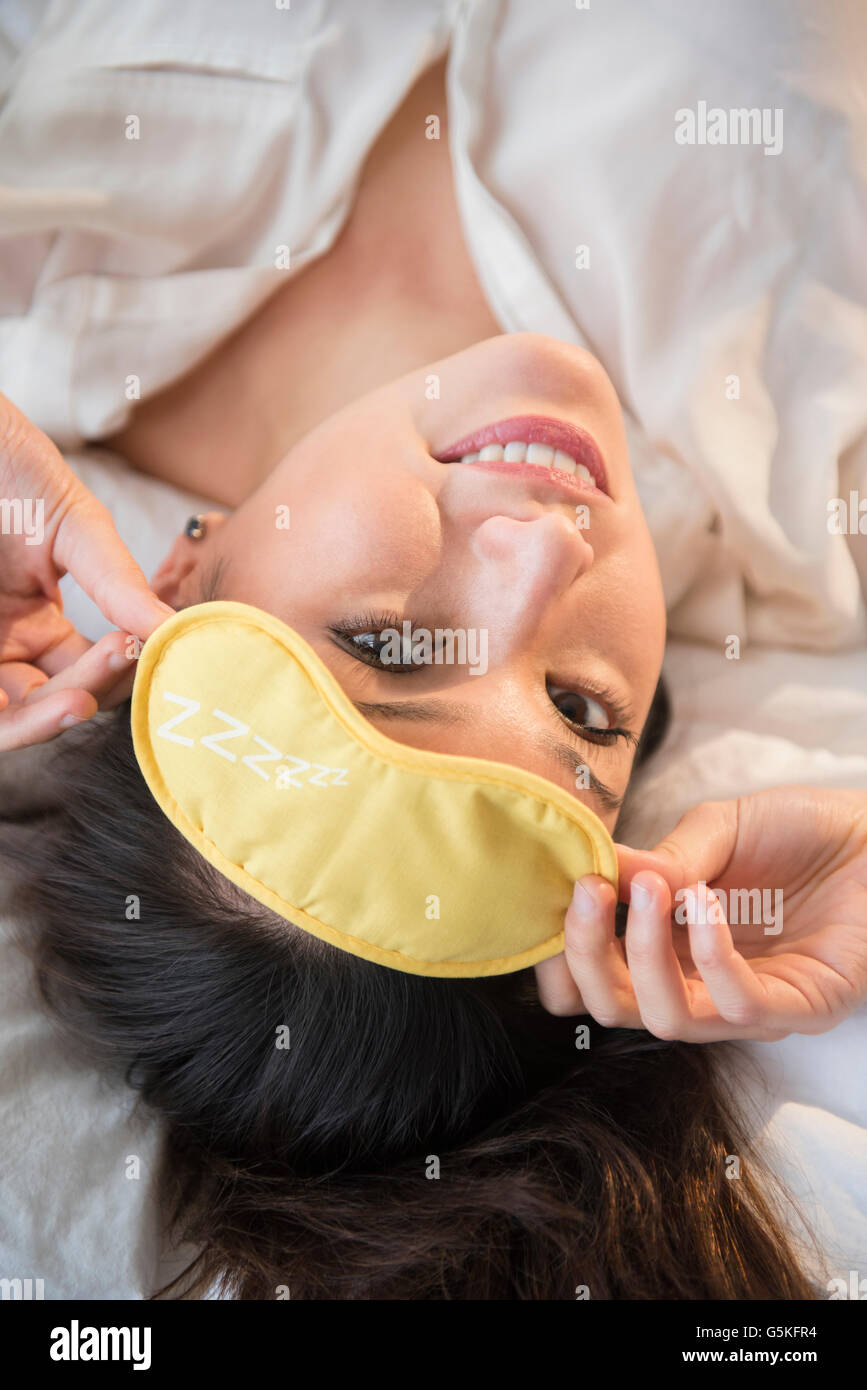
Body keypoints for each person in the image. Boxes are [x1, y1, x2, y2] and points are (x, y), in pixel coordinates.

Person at [0, 41, 864, 1300]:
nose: (541, 552)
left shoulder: (35, 278)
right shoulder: (809, 480)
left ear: (176, 583)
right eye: (583, 710)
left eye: (388, 647)